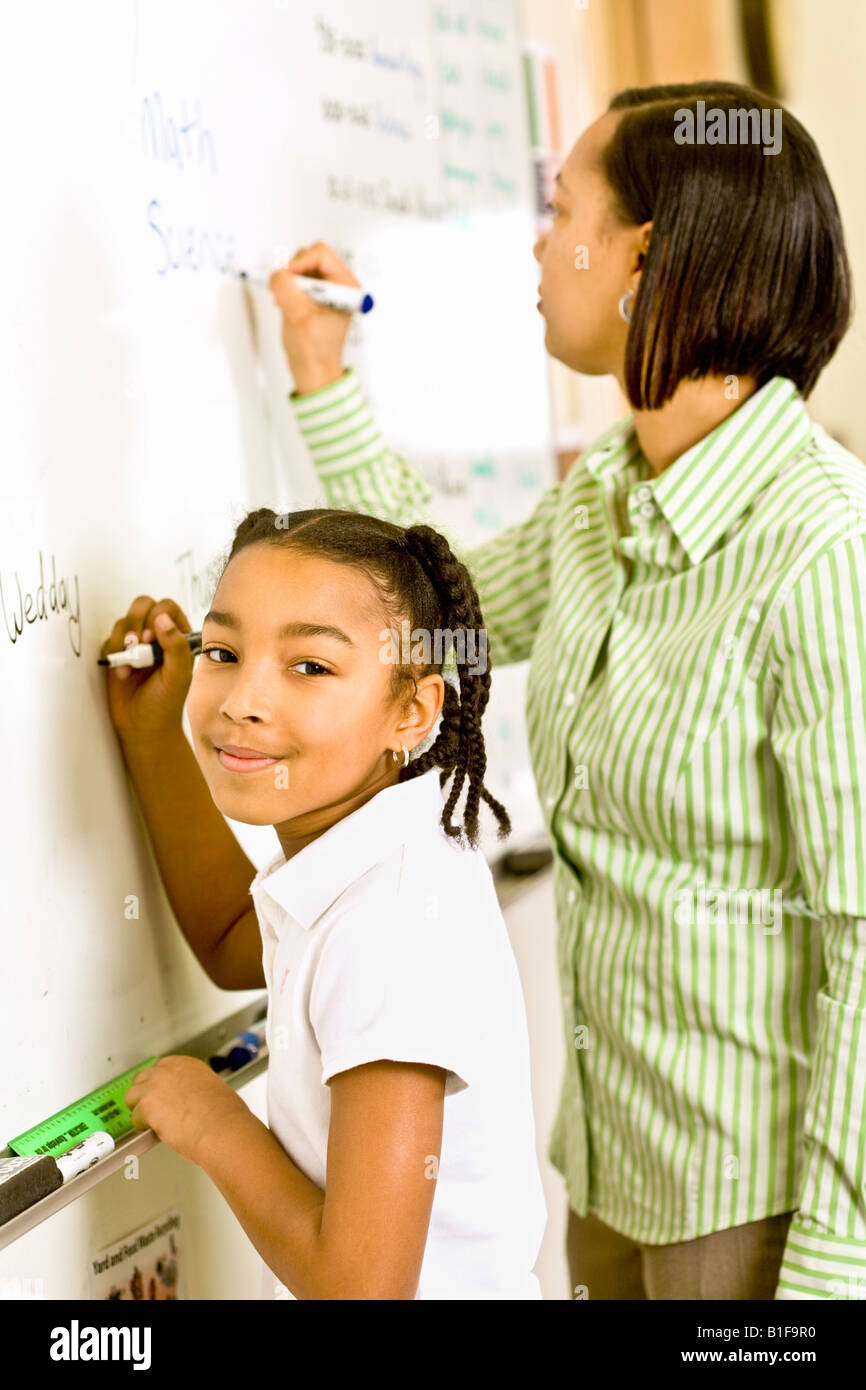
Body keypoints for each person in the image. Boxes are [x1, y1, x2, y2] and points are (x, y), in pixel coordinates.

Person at [266, 81, 866, 1300]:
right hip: (606, 1174)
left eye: (559, 208)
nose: (540, 244)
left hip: (762, 1219)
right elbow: (435, 615)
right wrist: (322, 378)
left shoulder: (821, 549)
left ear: (640, 254)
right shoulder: (608, 493)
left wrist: (830, 1269)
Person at [103, 508, 547, 1300]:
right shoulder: (364, 854)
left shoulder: (393, 924)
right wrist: (154, 737)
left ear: (412, 712)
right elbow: (232, 937)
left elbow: (361, 1291)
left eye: (309, 667)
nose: (243, 698)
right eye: (223, 652)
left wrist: (214, 1122)